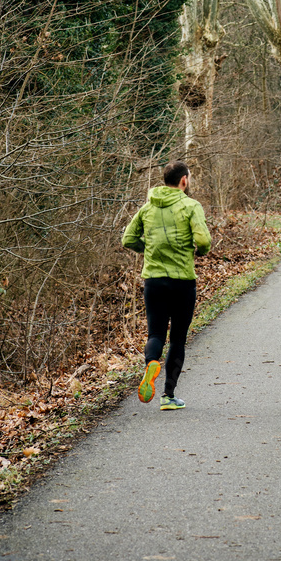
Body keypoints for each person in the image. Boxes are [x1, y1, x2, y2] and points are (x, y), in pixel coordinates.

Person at [122, 160, 211, 411]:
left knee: (156, 333)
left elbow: (127, 238)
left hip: (154, 281)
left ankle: (151, 362)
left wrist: (148, 249)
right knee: (178, 339)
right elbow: (203, 240)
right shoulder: (190, 206)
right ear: (184, 180)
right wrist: (200, 251)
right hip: (182, 281)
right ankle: (168, 396)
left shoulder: (147, 208)